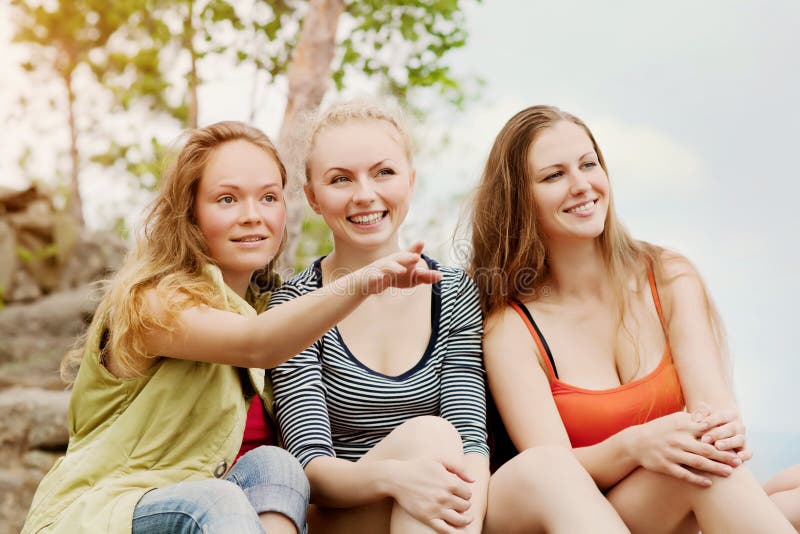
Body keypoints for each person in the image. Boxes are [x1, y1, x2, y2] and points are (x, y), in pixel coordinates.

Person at [22, 121, 442, 534]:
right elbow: (256, 344)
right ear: (189, 212)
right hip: (105, 517)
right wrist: (363, 280)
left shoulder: (270, 307)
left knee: (276, 466)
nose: (252, 216)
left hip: (226, 520)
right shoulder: (150, 301)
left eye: (268, 198)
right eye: (227, 199)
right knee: (217, 498)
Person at [269, 100, 629, 534]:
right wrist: (397, 478)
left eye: (384, 172)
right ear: (312, 196)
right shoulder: (295, 306)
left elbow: (472, 440)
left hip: (446, 503)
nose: (364, 194)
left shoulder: (454, 291)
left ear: (410, 181)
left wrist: (462, 517)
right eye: (340, 179)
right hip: (345, 514)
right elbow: (310, 467)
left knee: (549, 467)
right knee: (430, 437)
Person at [468, 104, 797, 533]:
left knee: (777, 484)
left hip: (672, 500)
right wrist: (634, 446)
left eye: (589, 164)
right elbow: (555, 474)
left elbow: (714, 412)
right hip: (581, 512)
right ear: (519, 198)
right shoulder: (510, 328)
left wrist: (723, 429)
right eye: (554, 176)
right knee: (702, 472)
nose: (581, 185)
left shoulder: (669, 277)